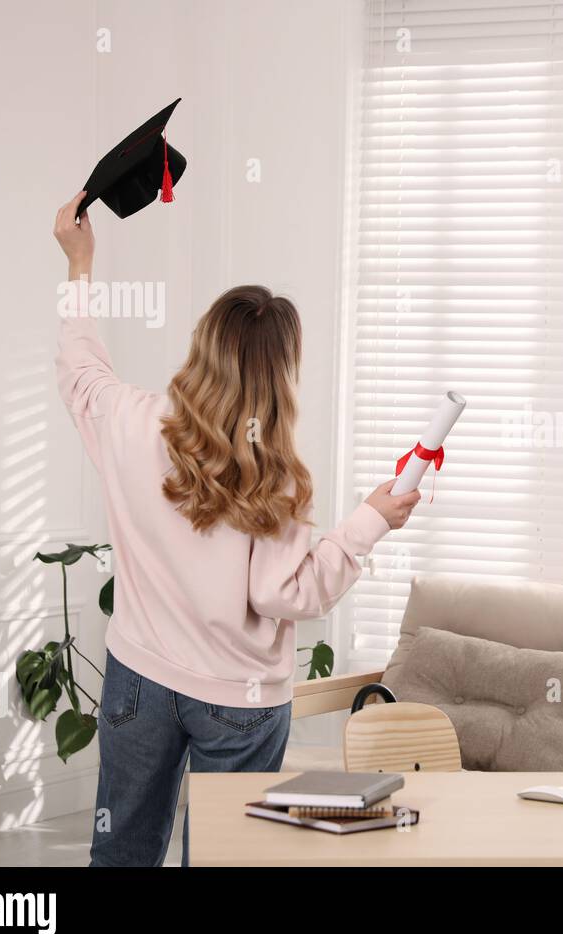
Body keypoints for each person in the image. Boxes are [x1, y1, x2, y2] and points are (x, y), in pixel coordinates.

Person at [52, 192, 419, 866]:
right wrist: (371, 520)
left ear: (204, 349)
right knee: (225, 858)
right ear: (280, 375)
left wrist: (80, 264)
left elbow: (80, 366)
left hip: (139, 678)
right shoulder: (275, 477)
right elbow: (286, 596)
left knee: (121, 850)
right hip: (239, 701)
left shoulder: (130, 424)